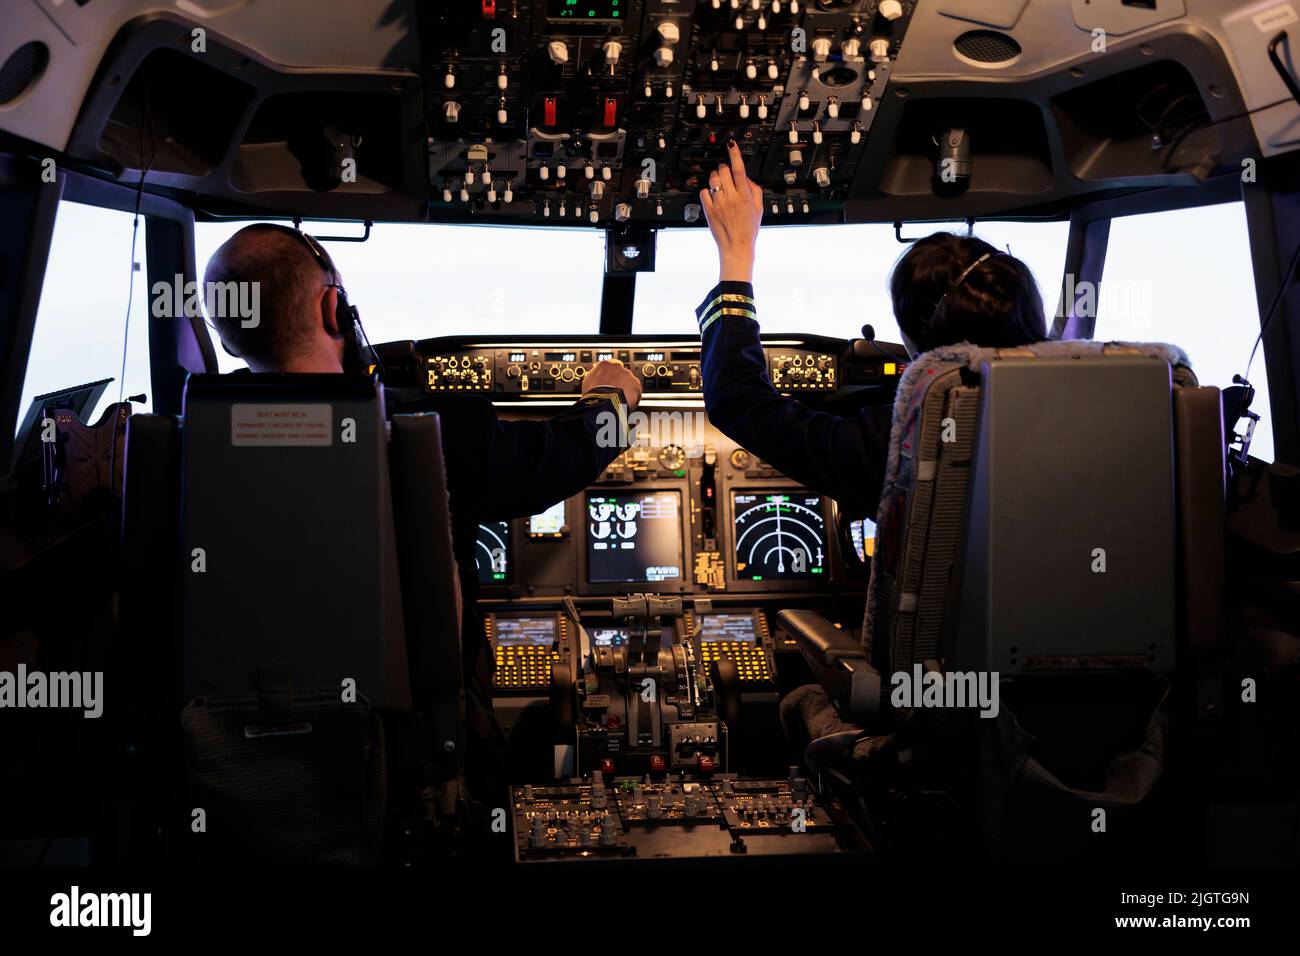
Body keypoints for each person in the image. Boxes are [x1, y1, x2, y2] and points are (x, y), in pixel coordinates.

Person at [202, 223, 642, 799]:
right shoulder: (431, 428)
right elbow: (545, 466)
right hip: (421, 759)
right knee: (546, 734)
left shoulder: (198, 441)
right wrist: (610, 402)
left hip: (247, 767)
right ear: (334, 309)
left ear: (232, 340)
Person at [696, 141, 1048, 519]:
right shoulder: (1092, 411)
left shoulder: (905, 441)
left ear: (917, 344)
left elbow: (738, 398)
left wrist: (737, 252)